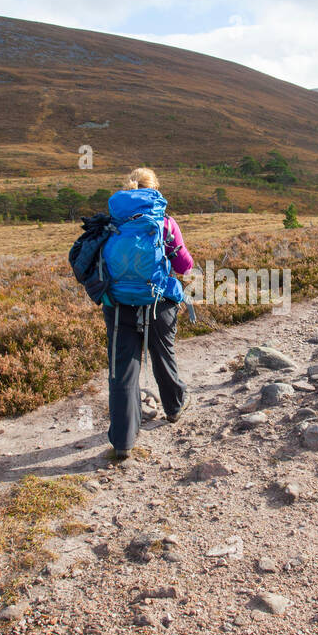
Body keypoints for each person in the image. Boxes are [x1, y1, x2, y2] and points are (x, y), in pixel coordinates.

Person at [100, 168, 193, 458]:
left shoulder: (112, 222)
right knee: (163, 355)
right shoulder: (164, 223)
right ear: (154, 189)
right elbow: (184, 266)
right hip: (159, 303)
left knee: (123, 370)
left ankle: (123, 442)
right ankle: (174, 408)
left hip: (118, 306)